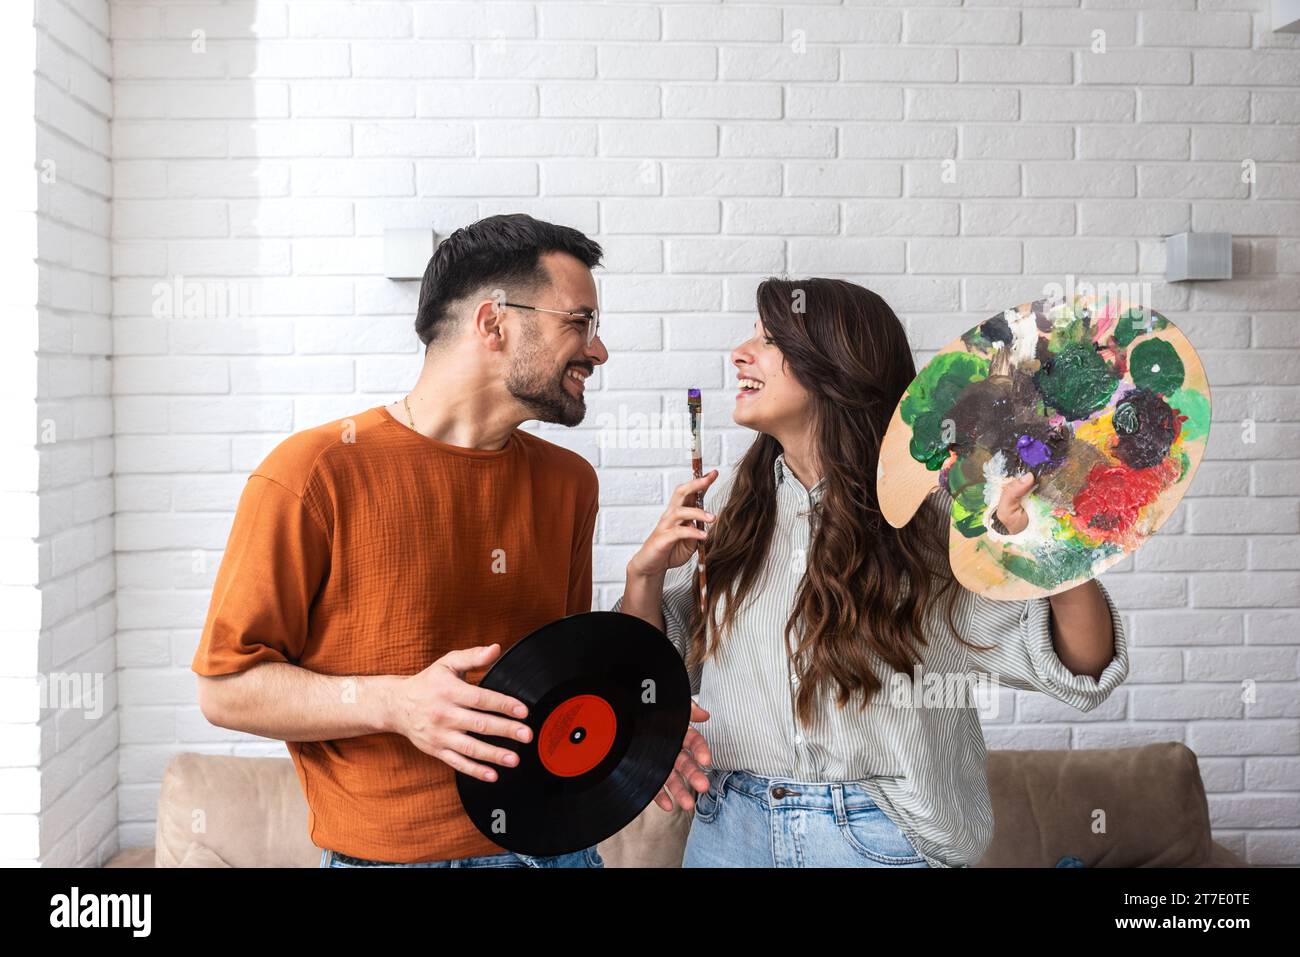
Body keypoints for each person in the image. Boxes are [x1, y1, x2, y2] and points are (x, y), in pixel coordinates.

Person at [614, 277, 1130, 868]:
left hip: (876, 836)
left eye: (770, 338)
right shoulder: (726, 500)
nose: (740, 353)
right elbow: (653, 677)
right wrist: (644, 578)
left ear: (837, 365)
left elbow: (1082, 665)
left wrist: (1049, 542)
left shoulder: (940, 511)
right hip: (730, 830)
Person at [192, 214, 609, 868]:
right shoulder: (313, 472)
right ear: (494, 322)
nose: (598, 349)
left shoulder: (570, 483)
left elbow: (561, 684)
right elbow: (225, 688)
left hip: (558, 845)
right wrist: (394, 702)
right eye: (578, 321)